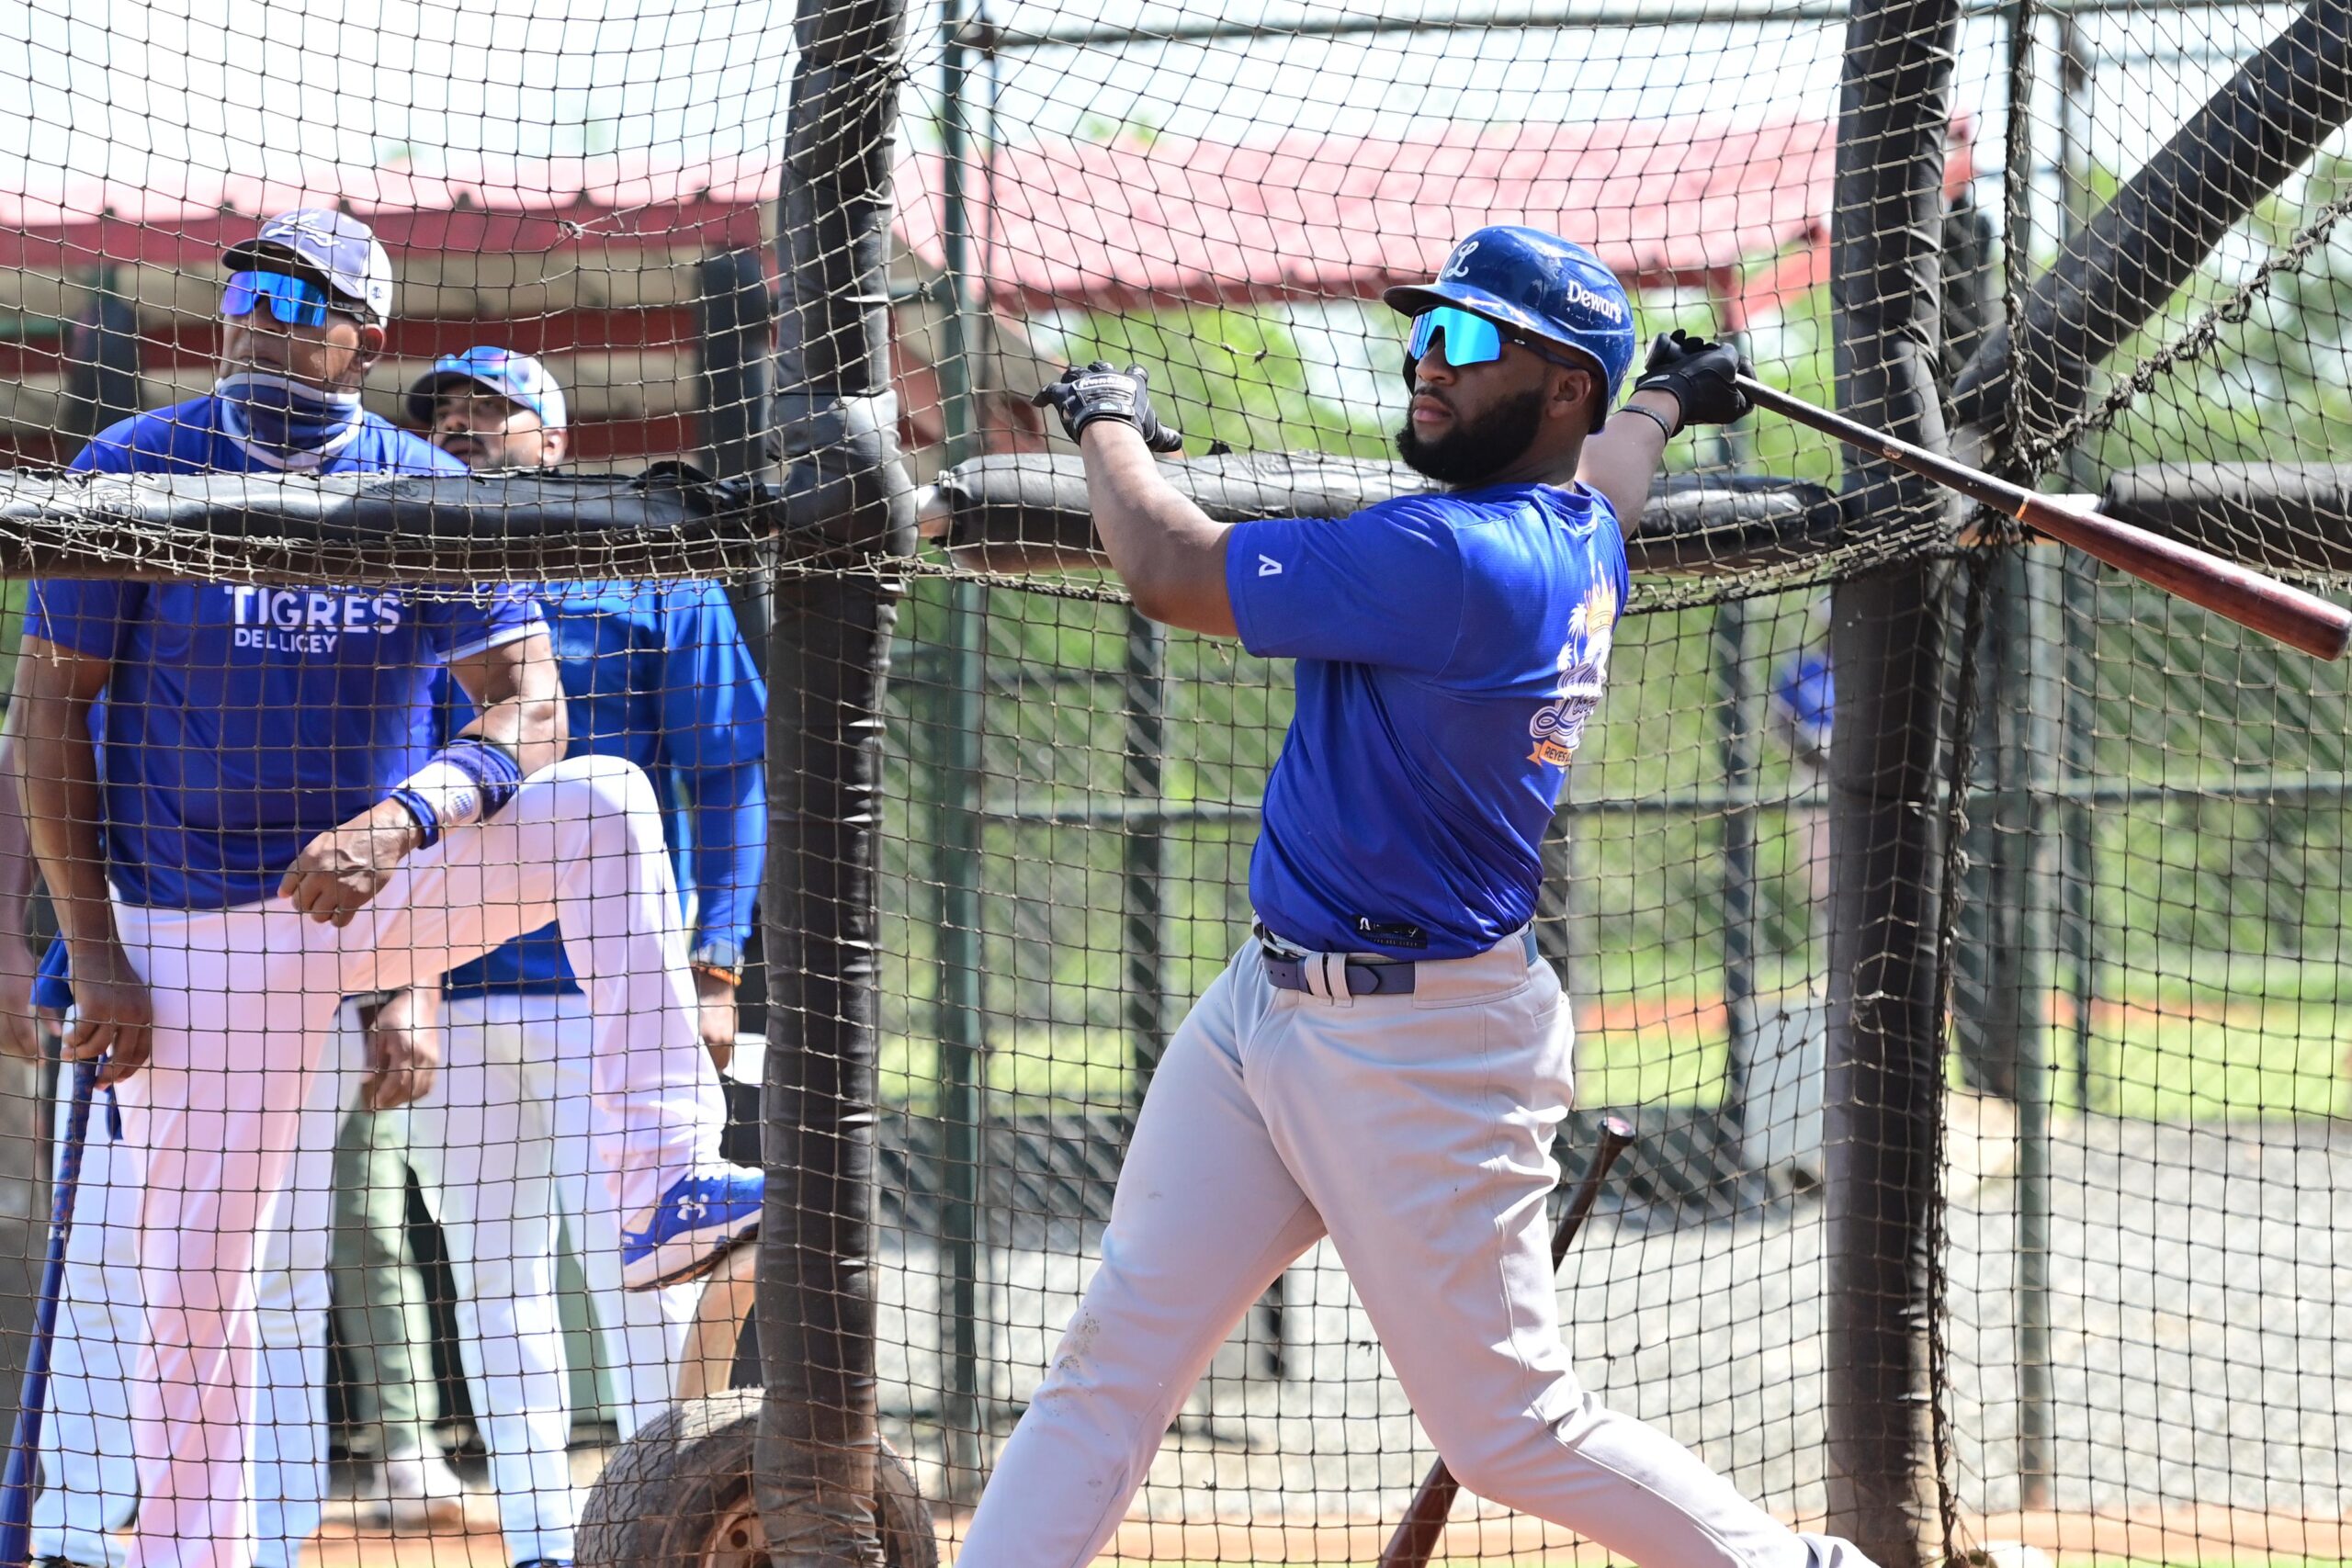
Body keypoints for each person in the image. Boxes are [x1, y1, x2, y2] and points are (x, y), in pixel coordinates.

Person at [967, 225, 1873, 1568]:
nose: (1423, 364)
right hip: (1263, 1010)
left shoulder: (1461, 558)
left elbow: (1165, 568)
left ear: (1563, 387)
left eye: (1464, 341)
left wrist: (1106, 424)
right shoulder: (1572, 529)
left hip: (1418, 1050)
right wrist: (1676, 399)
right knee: (1113, 1356)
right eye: (1424, 333)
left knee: (1516, 1431)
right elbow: (1612, 480)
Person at [7, 208, 763, 1568]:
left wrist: (410, 818)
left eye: (306, 307)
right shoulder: (133, 463)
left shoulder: (424, 483)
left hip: (372, 889)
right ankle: (191, 1548)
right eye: (249, 291)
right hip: (196, 929)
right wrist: (92, 952)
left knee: (607, 802)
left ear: (362, 341)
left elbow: (532, 710)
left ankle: (666, 1179)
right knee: (198, 1285)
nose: (266, 322)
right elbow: (49, 720)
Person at [394, 347, 766, 1568]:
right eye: (444, 413)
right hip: (446, 992)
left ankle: (663, 1532)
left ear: (553, 439)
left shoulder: (647, 555)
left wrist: (716, 969)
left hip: (614, 997)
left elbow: (731, 775)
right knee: (491, 1284)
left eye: (491, 411)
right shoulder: (397, 565)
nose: (461, 427)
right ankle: (544, 1546)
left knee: (643, 1281)